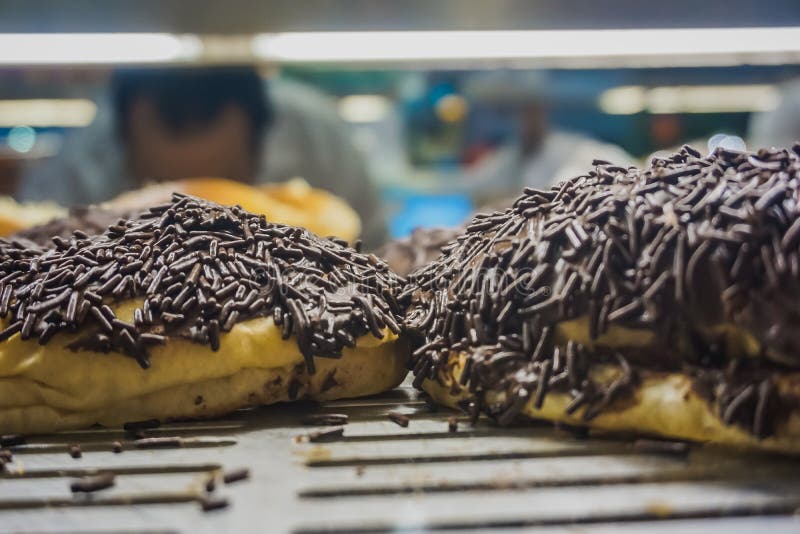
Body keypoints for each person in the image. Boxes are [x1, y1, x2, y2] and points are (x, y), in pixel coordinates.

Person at [17, 67, 387, 248]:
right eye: (160, 190)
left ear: (263, 143)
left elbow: (374, 252)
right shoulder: (85, 159)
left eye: (226, 185)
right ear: (123, 146)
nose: (197, 224)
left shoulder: (317, 139)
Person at [462, 71, 636, 199]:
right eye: (516, 113)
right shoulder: (511, 155)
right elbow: (475, 183)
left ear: (543, 111)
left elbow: (627, 171)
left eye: (530, 111)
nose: (523, 121)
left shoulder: (577, 149)